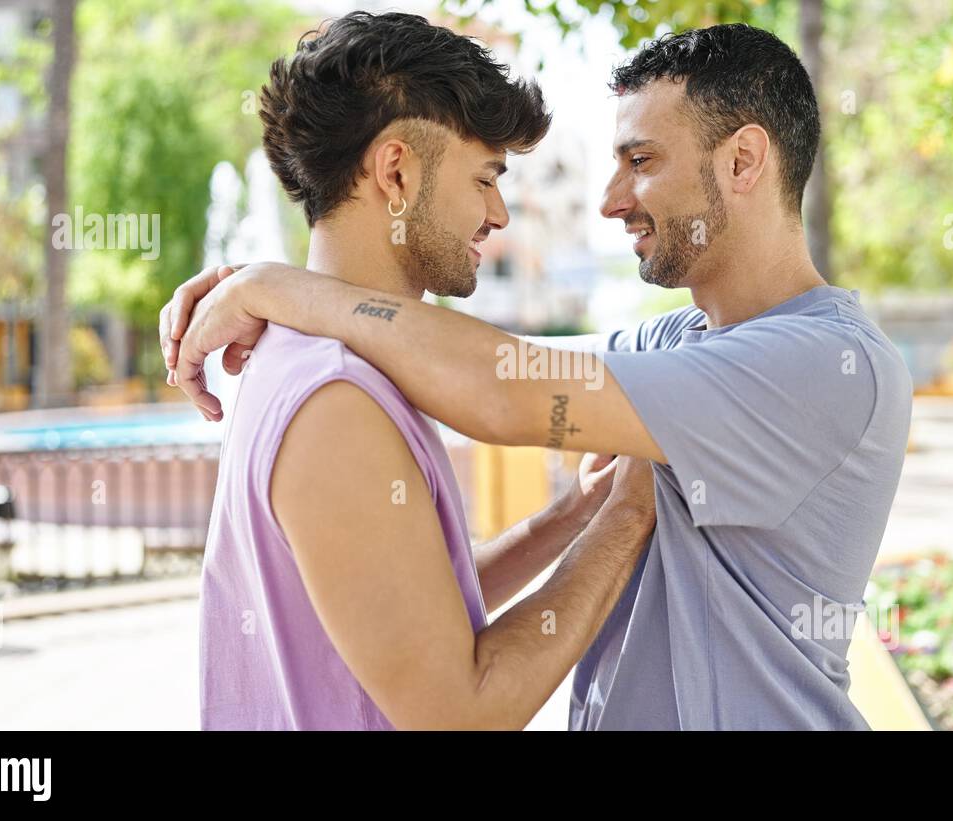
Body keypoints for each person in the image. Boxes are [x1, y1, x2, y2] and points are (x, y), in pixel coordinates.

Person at [166, 23, 913, 730]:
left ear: (744, 162)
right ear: (394, 171)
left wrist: (275, 287)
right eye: (486, 176)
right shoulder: (670, 342)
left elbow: (501, 386)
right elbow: (488, 362)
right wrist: (586, 516)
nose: (610, 200)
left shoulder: (826, 365)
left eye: (642, 161)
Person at [187, 11, 657, 731]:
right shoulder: (337, 400)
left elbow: (411, 610)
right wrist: (627, 516)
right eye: (484, 178)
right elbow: (460, 710)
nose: (498, 213)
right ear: (397, 171)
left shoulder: (314, 355)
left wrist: (570, 517)